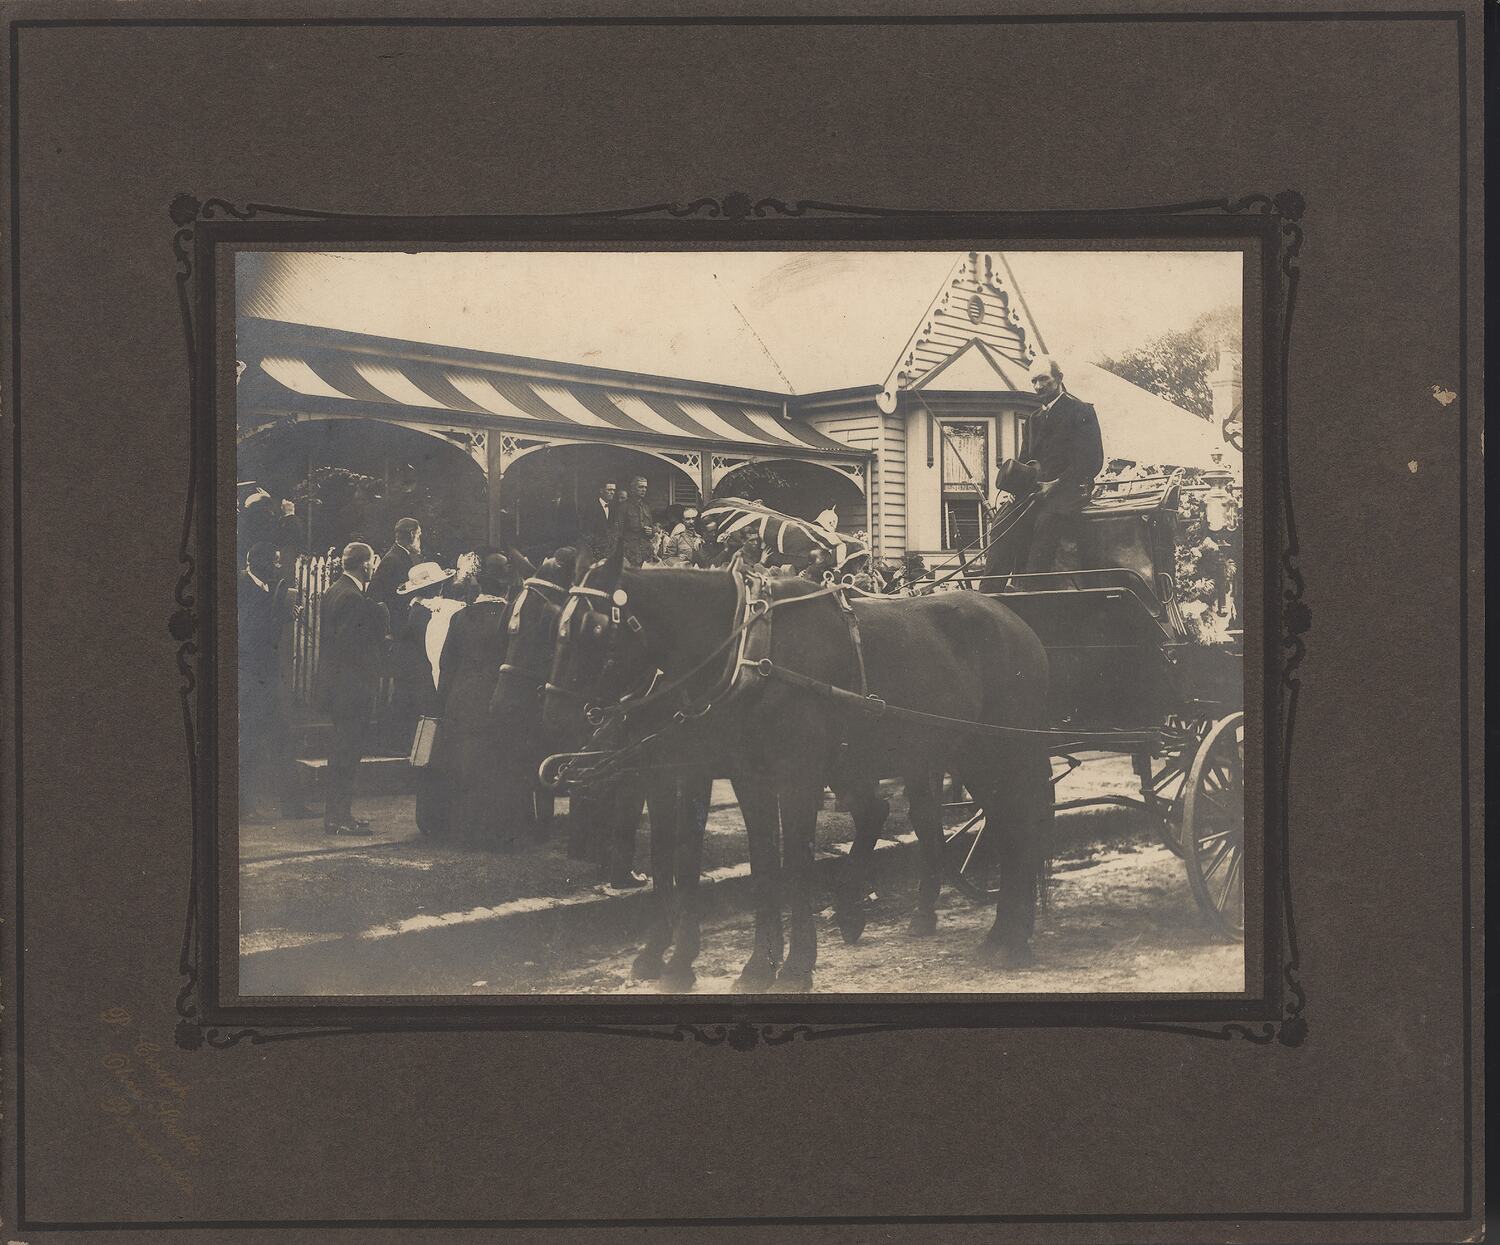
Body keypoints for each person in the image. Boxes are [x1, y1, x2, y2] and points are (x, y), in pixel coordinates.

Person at [437, 553, 525, 850]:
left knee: (465, 768)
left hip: (462, 701)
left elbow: (447, 665)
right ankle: (498, 834)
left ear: (479, 582)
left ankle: (464, 833)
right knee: (499, 769)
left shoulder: (460, 617)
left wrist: (444, 704)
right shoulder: (511, 617)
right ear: (506, 585)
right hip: (499, 701)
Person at [996, 355, 1105, 574]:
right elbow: (1026, 461)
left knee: (1045, 521)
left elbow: (1092, 460)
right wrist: (1014, 488)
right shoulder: (1033, 419)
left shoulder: (1080, 411)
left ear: (1059, 378)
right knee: (1003, 519)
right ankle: (989, 592)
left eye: (1044, 379)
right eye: (1034, 381)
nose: (1038, 386)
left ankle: (1031, 589)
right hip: (1036, 492)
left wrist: (1057, 483)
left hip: (1070, 492)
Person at [314, 543, 388, 836]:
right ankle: (338, 818)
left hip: (338, 686)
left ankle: (339, 815)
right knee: (347, 754)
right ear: (365, 565)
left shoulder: (336, 590)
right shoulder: (354, 598)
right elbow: (352, 646)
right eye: (372, 562)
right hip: (351, 689)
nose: (373, 567)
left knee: (342, 752)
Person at [238, 542, 308, 822]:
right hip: (252, 678)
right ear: (259, 562)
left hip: (267, 677)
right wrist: (280, 613)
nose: (279, 567)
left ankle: (293, 805)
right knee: (251, 742)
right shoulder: (243, 586)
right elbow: (249, 634)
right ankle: (244, 807)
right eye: (275, 562)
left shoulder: (265, 588)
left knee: (284, 739)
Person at [395, 560, 459, 837]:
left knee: (426, 752)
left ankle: (431, 816)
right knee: (432, 751)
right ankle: (434, 818)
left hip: (416, 690)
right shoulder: (429, 614)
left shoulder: (415, 612)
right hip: (429, 689)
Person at [368, 517, 424, 749]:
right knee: (402, 687)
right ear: (411, 535)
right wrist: (388, 628)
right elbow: (375, 596)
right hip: (399, 634)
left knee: (405, 686)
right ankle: (391, 739)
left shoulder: (401, 556)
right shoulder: (394, 559)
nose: (420, 540)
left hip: (404, 632)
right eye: (419, 535)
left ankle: (396, 738)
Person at [616, 475, 655, 567]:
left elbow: (651, 527)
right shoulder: (624, 507)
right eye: (640, 487)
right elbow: (618, 532)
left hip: (645, 551)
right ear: (633, 489)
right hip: (630, 552)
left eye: (645, 487)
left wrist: (651, 531)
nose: (644, 489)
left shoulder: (646, 507)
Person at [579, 481, 617, 562]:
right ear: (601, 491)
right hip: (595, 551)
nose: (612, 492)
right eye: (609, 489)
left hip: (608, 552)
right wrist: (596, 549)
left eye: (614, 490)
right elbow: (587, 531)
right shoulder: (591, 507)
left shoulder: (614, 508)